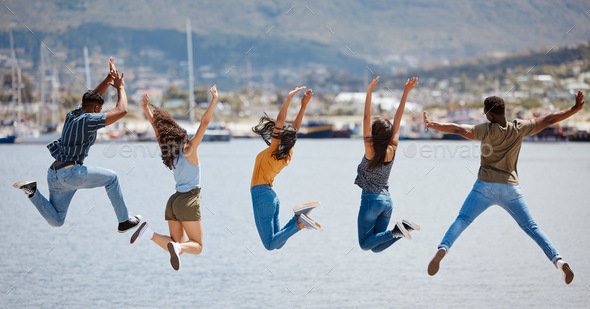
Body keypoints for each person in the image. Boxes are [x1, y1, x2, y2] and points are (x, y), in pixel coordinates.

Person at [423, 91, 585, 285]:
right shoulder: (520, 127)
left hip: (484, 187)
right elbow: (549, 119)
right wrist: (574, 109)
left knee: (463, 219)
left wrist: (433, 124)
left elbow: (458, 129)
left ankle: (443, 248)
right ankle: (559, 261)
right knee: (532, 228)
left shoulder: (486, 130)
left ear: (490, 116)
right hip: (511, 189)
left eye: (485, 114)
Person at [13, 57, 142, 233]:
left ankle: (32, 192)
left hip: (54, 173)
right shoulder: (89, 120)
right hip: (70, 174)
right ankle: (124, 220)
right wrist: (120, 87)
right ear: (96, 110)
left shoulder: (73, 113)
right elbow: (122, 110)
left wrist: (108, 79)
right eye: (99, 109)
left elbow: (93, 97)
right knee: (112, 178)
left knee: (57, 220)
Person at [131, 86, 217, 271]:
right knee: (197, 246)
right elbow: (204, 123)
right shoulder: (190, 149)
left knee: (178, 245)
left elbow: (157, 130)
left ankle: (149, 234)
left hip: (173, 202)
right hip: (188, 200)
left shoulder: (170, 154)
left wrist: (146, 108)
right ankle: (176, 247)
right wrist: (214, 100)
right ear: (181, 134)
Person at [250, 86, 323, 251]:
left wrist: (289, 99)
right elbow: (293, 130)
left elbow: (281, 121)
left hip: (261, 195)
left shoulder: (273, 150)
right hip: (271, 197)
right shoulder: (286, 154)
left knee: (270, 245)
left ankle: (299, 223)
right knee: (277, 243)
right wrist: (303, 105)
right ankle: (299, 217)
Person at [355, 76, 420, 253]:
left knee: (364, 244)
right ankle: (400, 230)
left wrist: (369, 92)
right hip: (387, 201)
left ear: (374, 135)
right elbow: (398, 120)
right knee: (376, 248)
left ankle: (397, 231)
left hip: (371, 200)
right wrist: (406, 92)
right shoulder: (393, 147)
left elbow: (366, 117)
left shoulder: (370, 150)